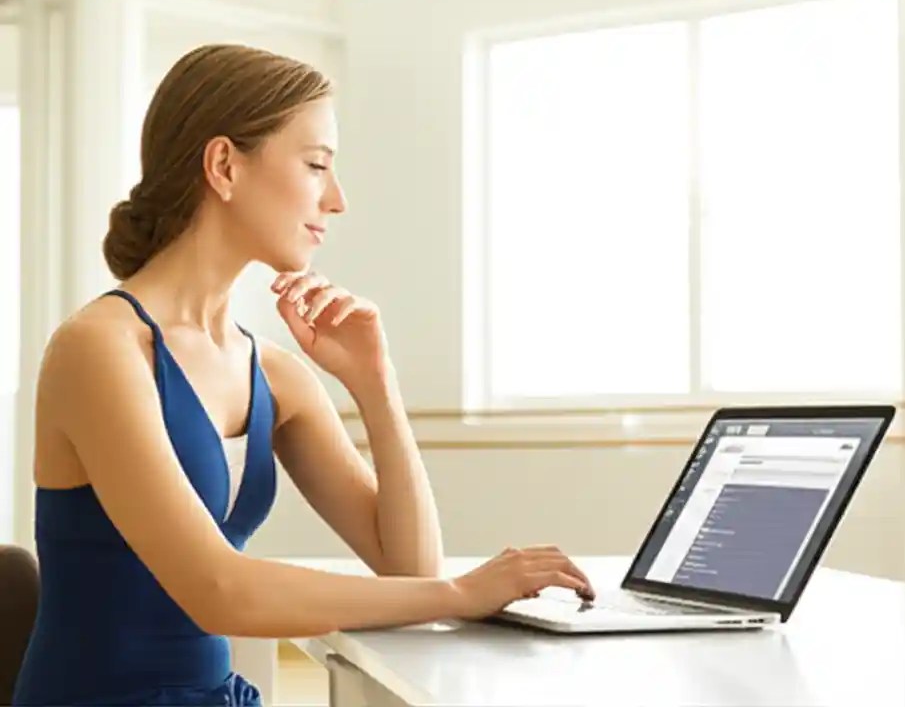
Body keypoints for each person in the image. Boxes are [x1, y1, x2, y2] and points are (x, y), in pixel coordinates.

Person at [11, 43, 595, 707]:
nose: (337, 200)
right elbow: (217, 590)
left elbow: (409, 570)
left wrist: (375, 383)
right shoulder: (99, 350)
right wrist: (464, 594)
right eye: (317, 166)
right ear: (224, 165)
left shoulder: (275, 375)